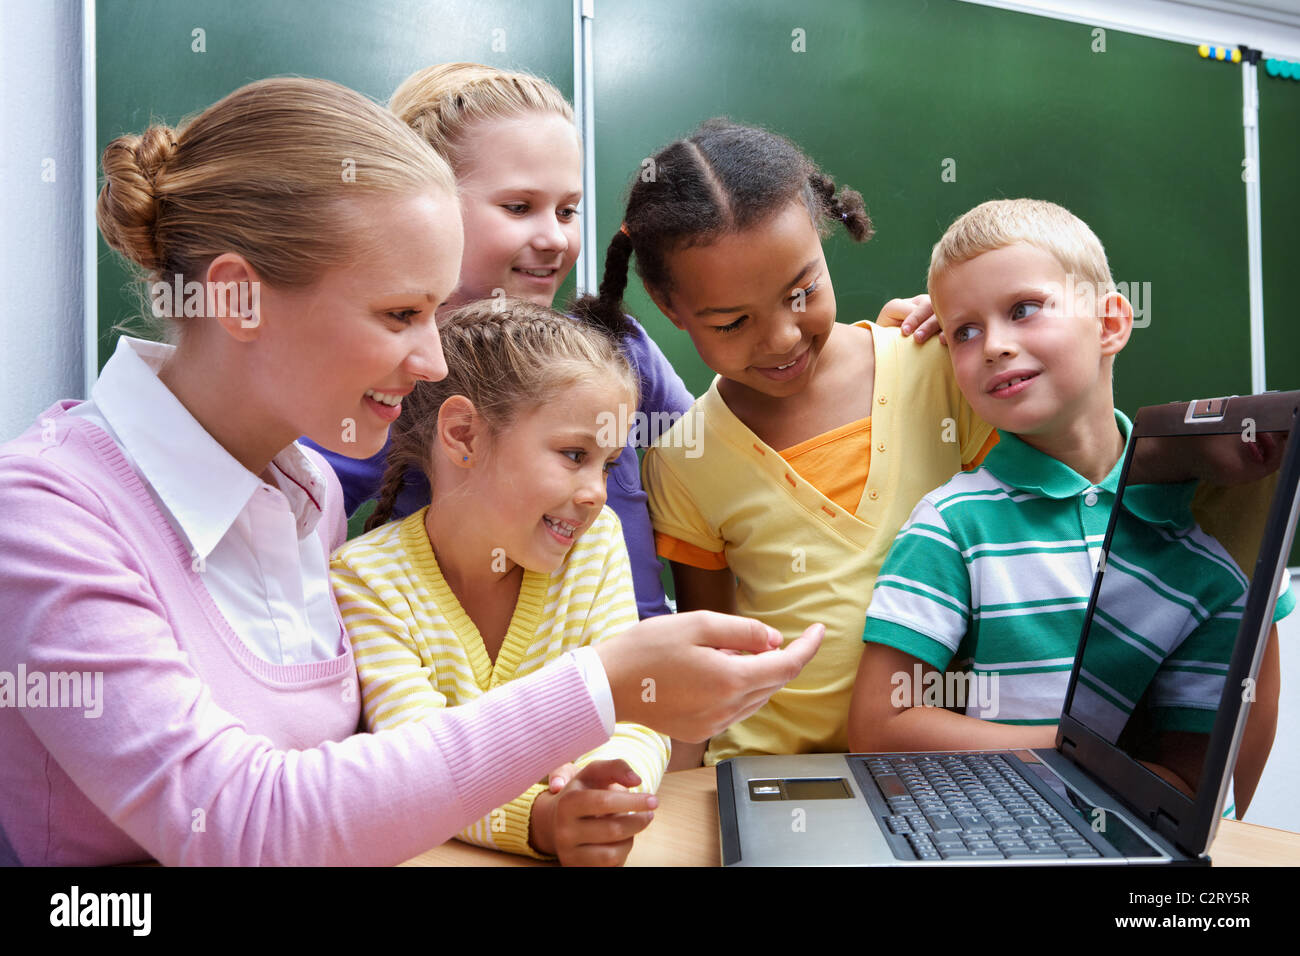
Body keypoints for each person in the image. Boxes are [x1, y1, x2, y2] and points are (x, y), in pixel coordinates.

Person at [0, 78, 822, 866]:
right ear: (238, 301)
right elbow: (238, 823)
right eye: (399, 314)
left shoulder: (308, 496)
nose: (433, 361)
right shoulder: (46, 517)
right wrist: (601, 687)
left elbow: (357, 788)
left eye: (435, 312)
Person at [577, 119, 997, 769]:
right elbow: (714, 661)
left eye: (801, 293)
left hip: (943, 765)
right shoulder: (686, 459)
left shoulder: (937, 373)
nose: (779, 339)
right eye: (732, 321)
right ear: (669, 307)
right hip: (769, 774)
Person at [846, 199, 1287, 814]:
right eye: (964, 332)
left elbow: (1198, 781)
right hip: (983, 834)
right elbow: (877, 728)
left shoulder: (1207, 553)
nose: (995, 346)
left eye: (1024, 309)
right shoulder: (952, 525)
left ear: (1110, 324)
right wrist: (1079, 751)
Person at [302, 62, 693, 619]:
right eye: (518, 207)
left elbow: (717, 462)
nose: (555, 238)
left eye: (567, 210)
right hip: (475, 699)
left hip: (649, 694)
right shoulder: (388, 382)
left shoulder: (616, 349)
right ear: (424, 203)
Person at [333, 301, 668, 865]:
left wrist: (603, 789)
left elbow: (636, 711)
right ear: (463, 434)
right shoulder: (367, 580)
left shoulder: (595, 543)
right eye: (574, 454)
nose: (596, 492)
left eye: (607, 464)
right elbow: (419, 769)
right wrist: (542, 820)